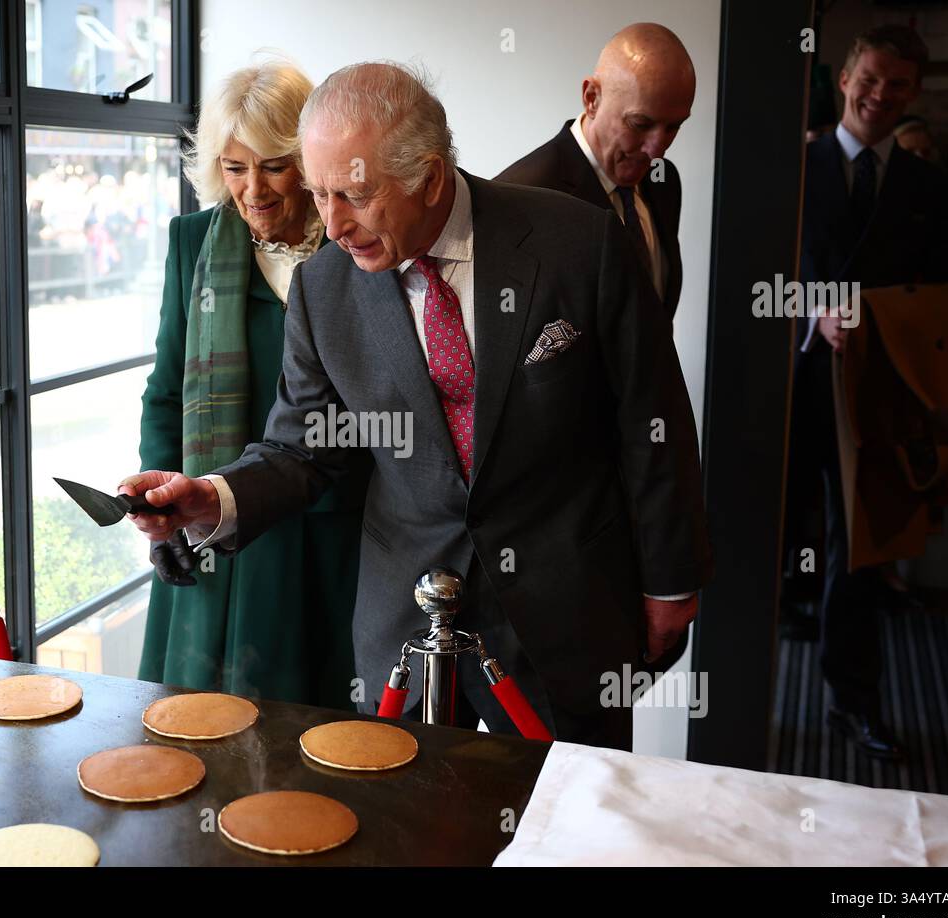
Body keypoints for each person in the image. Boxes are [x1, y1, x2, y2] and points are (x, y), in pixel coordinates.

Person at [119, 62, 711, 750]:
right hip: (405, 624)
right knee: (400, 810)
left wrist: (670, 583)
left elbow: (653, 421)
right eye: (319, 193)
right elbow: (302, 449)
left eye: (354, 195)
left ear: (430, 178)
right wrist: (210, 497)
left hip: (564, 612)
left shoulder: (580, 244)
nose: (333, 224)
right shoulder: (323, 287)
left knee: (572, 808)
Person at [137, 62, 367, 709]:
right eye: (235, 168)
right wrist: (162, 508)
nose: (253, 189)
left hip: (333, 528)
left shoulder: (356, 246)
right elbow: (166, 391)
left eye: (273, 166)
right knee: (201, 726)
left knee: (323, 729)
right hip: (213, 520)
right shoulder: (193, 243)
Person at [790, 25, 948, 760]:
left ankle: (853, 700)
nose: (880, 94)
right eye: (869, 78)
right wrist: (814, 312)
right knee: (762, 538)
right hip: (788, 385)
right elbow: (750, 276)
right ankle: (731, 699)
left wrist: (885, 320)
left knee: (859, 554)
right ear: (844, 79)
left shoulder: (929, 186)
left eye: (898, 85)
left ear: (914, 93)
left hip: (877, 398)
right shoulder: (793, 169)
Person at [496, 22, 694, 326]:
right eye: (640, 124)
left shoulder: (664, 182)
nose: (657, 151)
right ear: (591, 98)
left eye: (673, 127)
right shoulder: (520, 199)